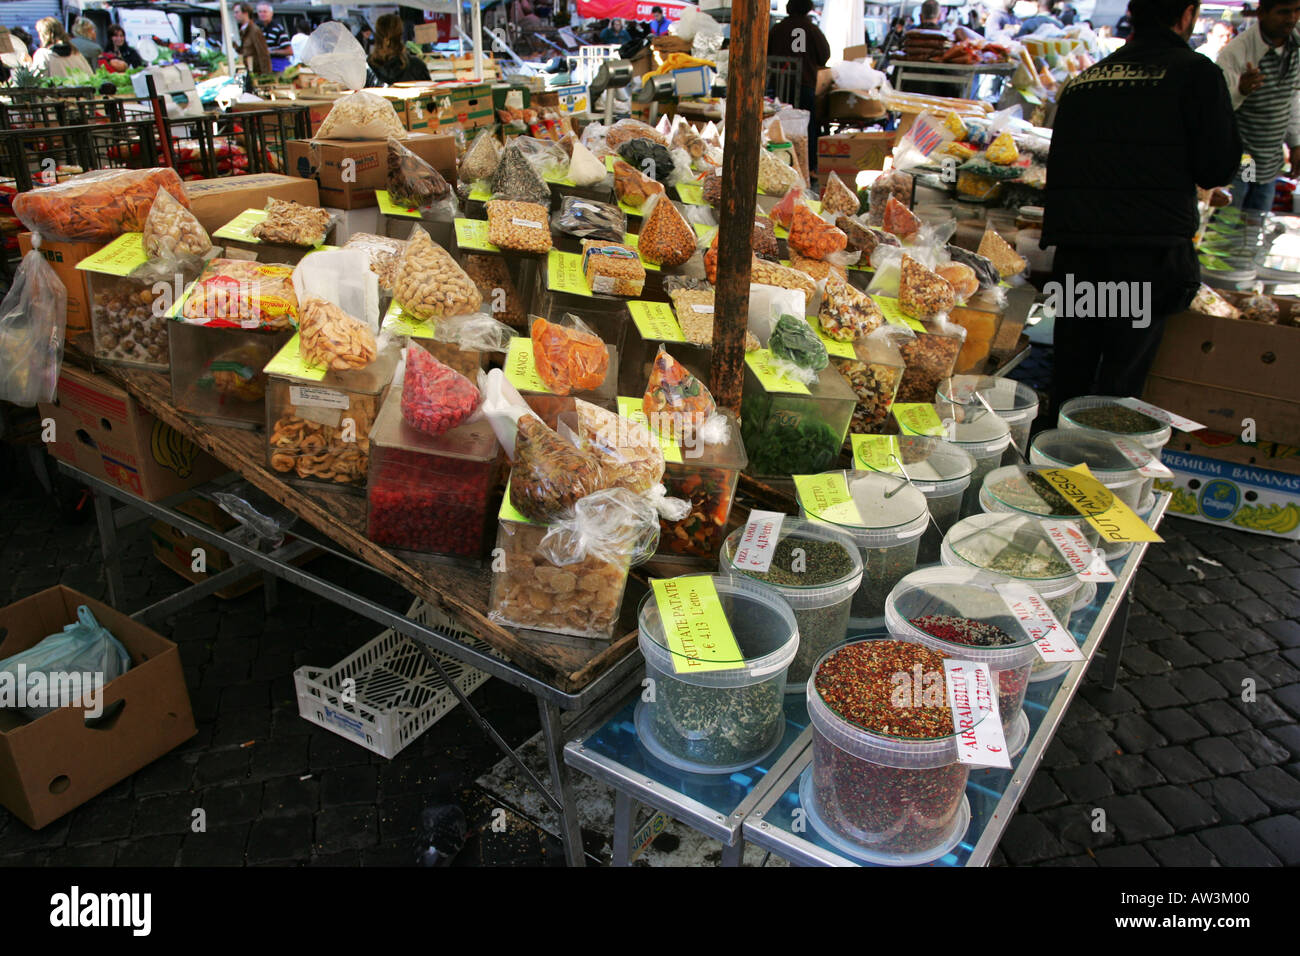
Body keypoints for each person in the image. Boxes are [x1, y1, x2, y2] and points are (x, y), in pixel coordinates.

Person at [1042, 0, 1240, 410]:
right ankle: (1097, 468)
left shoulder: (1086, 80)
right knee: (1117, 388)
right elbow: (1216, 168)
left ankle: (1050, 465)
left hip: (1079, 255)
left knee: (1069, 379)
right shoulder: (1197, 74)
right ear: (1186, 14)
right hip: (1144, 259)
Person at [1217, 0, 1300, 211]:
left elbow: (1292, 97)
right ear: (1261, 13)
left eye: (1297, 11)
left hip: (1271, 163)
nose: (1291, 18)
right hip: (1243, 161)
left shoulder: (1295, 45)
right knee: (1229, 230)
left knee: (1254, 231)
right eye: (1283, 12)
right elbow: (1216, 109)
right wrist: (1240, 91)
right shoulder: (1238, 51)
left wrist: (1296, 143)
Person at [368, 13, 431, 85]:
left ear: (376, 35)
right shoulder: (417, 65)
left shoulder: (367, 68)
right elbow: (431, 94)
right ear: (401, 35)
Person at [233, 2, 272, 75]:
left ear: (245, 13)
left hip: (257, 72)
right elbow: (244, 51)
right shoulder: (243, 30)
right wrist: (233, 44)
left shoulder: (254, 30)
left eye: (237, 12)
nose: (235, 15)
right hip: (249, 72)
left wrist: (266, 75)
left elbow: (263, 53)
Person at [257, 3, 292, 72]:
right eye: (260, 12)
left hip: (278, 66)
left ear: (271, 13)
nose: (262, 14)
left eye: (265, 11)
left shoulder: (277, 28)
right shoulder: (258, 28)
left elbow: (289, 51)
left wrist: (271, 52)